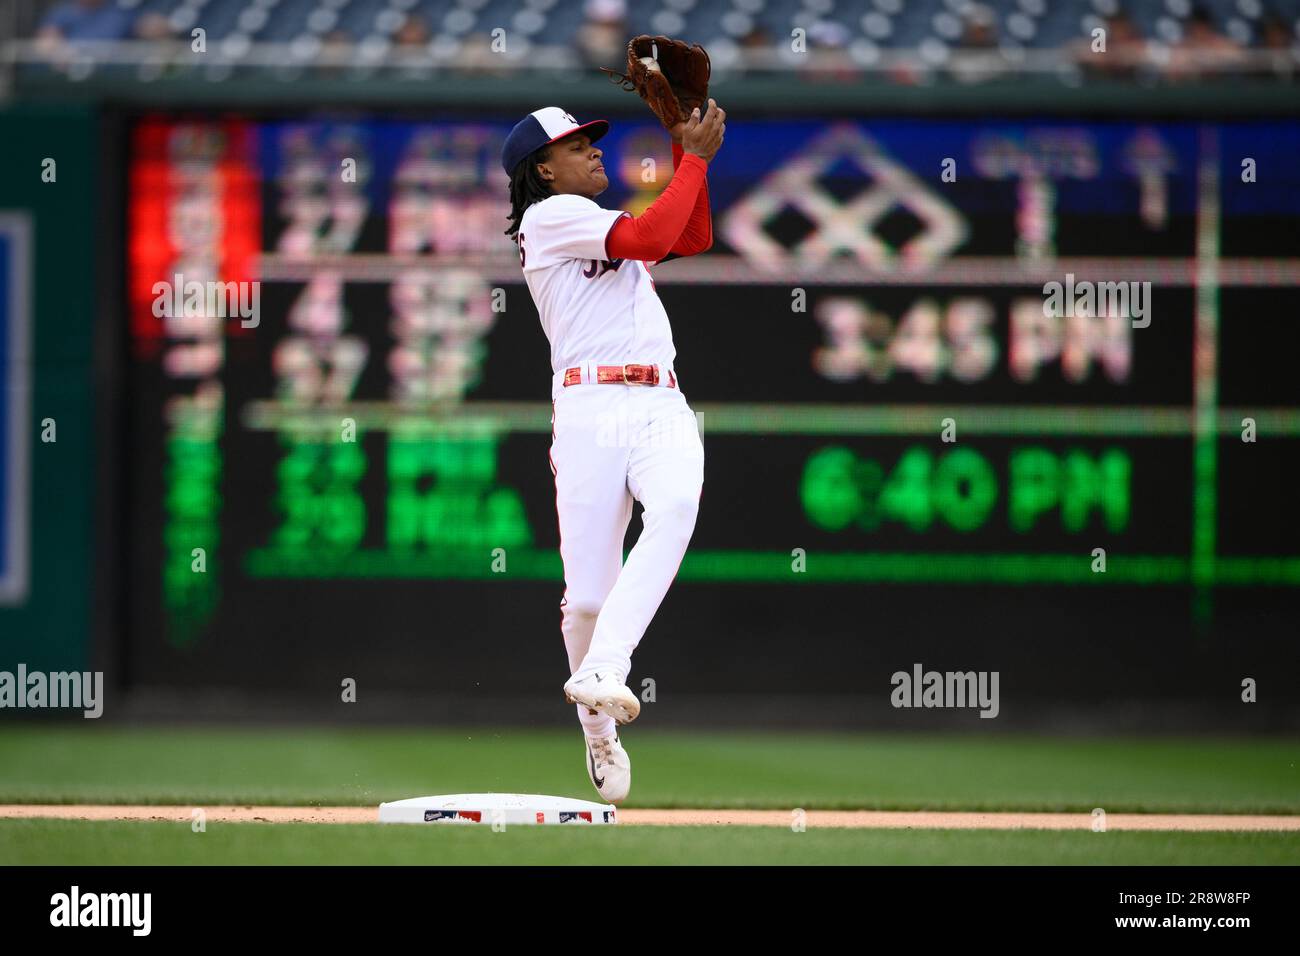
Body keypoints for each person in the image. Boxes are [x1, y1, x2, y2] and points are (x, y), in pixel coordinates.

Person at [501, 102, 725, 803]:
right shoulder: (548, 218)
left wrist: (688, 156)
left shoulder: (598, 223)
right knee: (587, 601)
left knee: (679, 504)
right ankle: (598, 733)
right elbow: (655, 233)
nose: (594, 151)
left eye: (593, 140)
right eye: (576, 145)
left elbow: (691, 235)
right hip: (590, 410)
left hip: (659, 399)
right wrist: (692, 159)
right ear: (543, 168)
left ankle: (607, 667)